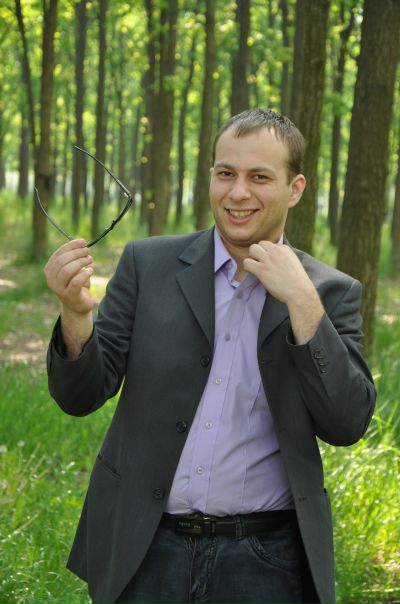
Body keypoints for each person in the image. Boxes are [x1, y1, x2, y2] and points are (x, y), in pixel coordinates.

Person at [44, 108, 376, 604]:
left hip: (266, 559)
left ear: (295, 189)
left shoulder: (331, 291)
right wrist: (75, 315)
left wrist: (304, 304)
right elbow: (81, 395)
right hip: (143, 546)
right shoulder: (147, 264)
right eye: (226, 173)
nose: (237, 193)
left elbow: (347, 423)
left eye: (259, 177)